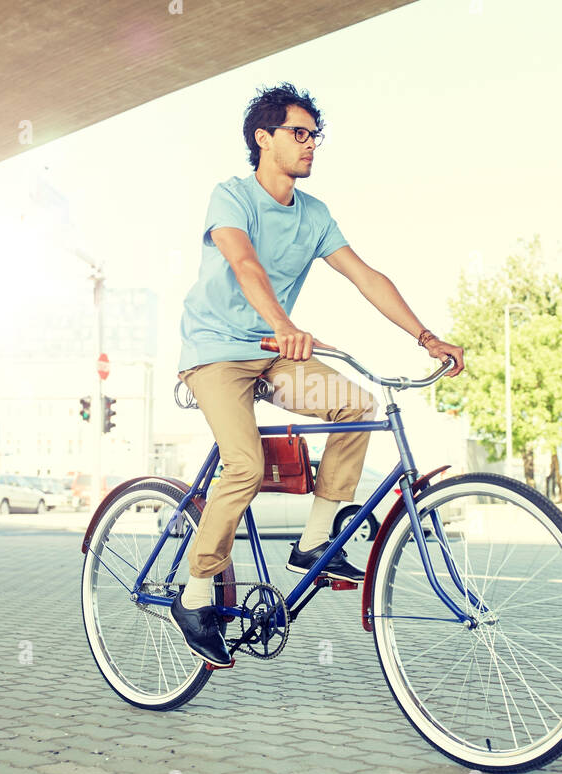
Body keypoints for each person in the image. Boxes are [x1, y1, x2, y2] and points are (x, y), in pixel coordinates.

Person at [171, 83, 465, 666]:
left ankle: (314, 542)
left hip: (276, 351)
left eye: (315, 136)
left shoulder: (315, 215)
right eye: (299, 134)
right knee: (246, 465)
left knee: (356, 405)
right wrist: (283, 323)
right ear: (264, 138)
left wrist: (426, 336)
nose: (311, 146)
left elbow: (366, 276)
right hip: (215, 352)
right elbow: (245, 262)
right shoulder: (231, 196)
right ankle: (196, 591)